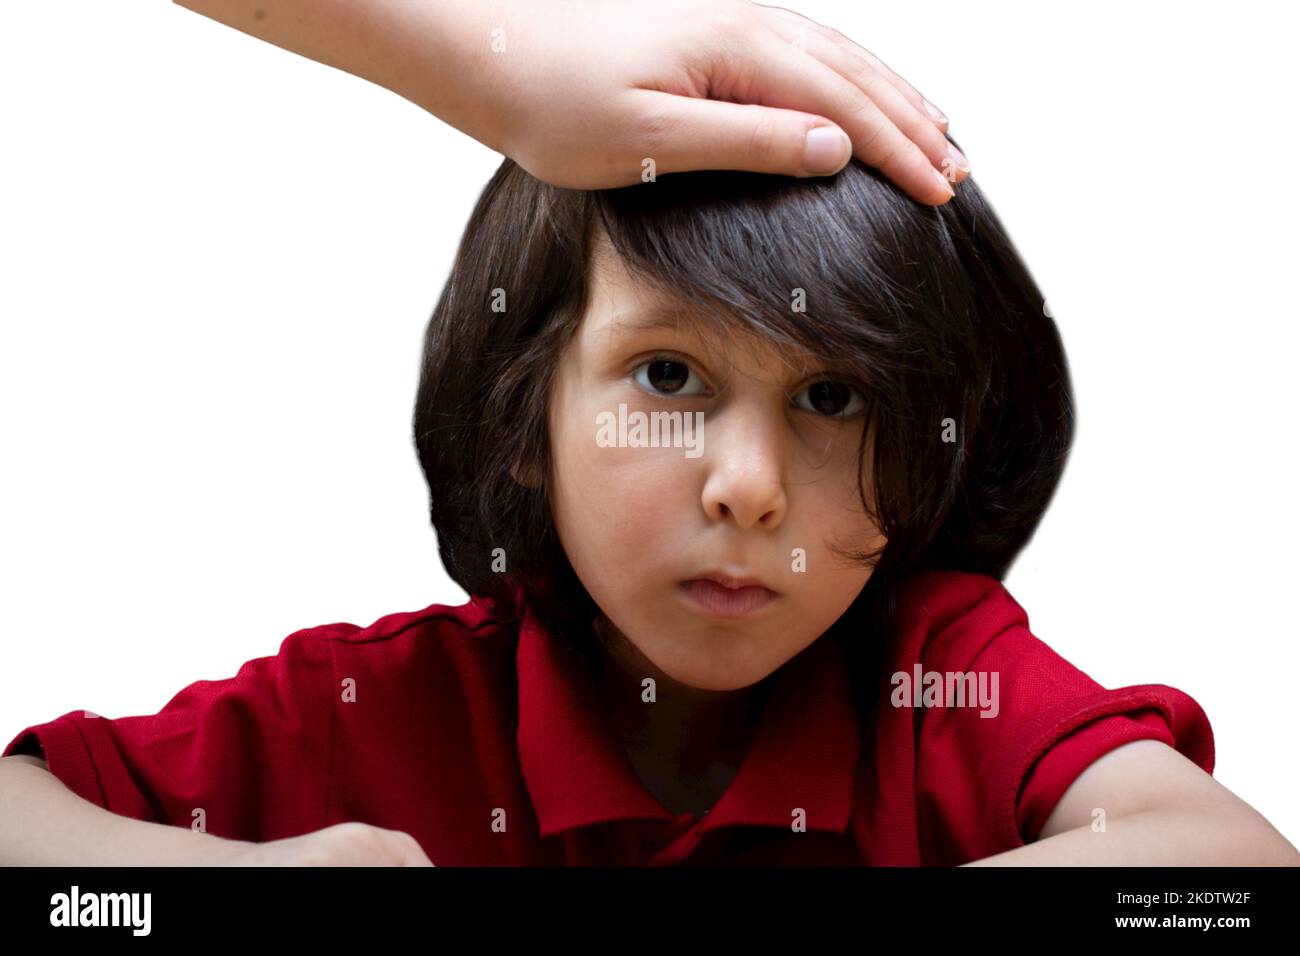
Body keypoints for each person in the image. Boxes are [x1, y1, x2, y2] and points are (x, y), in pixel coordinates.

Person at [0, 0, 1295, 867]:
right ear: (525, 414)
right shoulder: (378, 707)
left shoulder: (933, 681)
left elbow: (1230, 865)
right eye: (669, 374)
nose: (750, 489)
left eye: (834, 400)